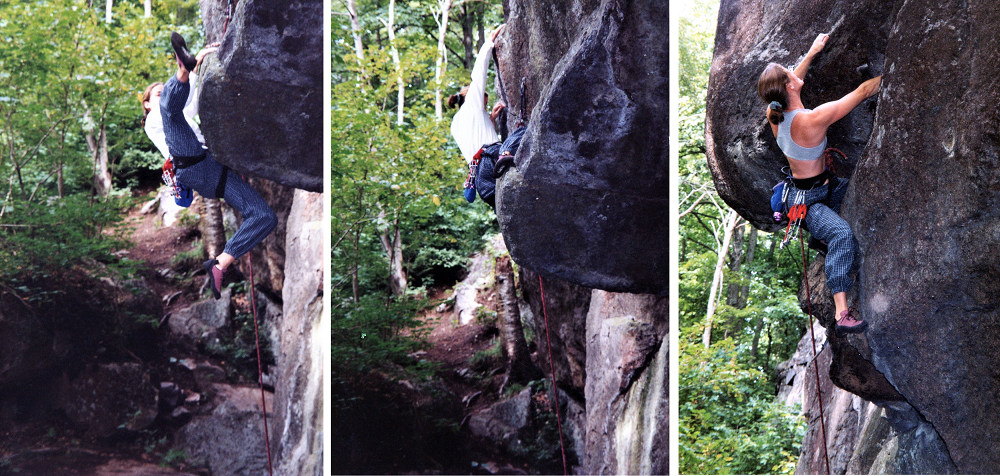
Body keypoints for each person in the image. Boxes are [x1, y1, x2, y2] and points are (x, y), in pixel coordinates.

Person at [757, 33, 881, 336]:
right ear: (789, 86)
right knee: (842, 234)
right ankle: (842, 313)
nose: (794, 72)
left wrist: (812, 53)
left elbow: (790, 84)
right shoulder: (812, 119)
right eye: (790, 72)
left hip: (823, 187)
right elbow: (864, 90)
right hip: (807, 202)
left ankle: (820, 238)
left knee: (855, 189)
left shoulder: (775, 114)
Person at [141, 33, 277, 300]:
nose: (160, 95)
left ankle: (220, 263)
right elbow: (172, 109)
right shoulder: (153, 121)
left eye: (161, 92)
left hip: (212, 172)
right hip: (188, 161)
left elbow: (190, 105)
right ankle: (182, 67)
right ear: (146, 104)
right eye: (156, 94)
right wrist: (186, 71)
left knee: (264, 216)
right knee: (171, 112)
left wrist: (198, 64)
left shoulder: (177, 111)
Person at [449, 24, 526, 209]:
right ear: (472, 98)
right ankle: (505, 156)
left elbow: (474, 138)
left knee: (510, 210)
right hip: (491, 162)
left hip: (482, 183)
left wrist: (490, 118)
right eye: (484, 103)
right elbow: (478, 76)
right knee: (525, 132)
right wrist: (488, 43)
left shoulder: (455, 124)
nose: (484, 106)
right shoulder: (472, 102)